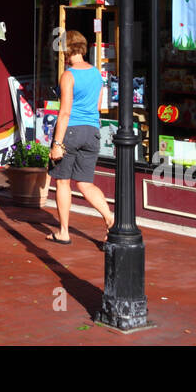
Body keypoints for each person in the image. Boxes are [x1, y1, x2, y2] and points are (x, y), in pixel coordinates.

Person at [46, 29, 114, 245]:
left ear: (66, 49)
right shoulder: (96, 73)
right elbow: (96, 106)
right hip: (92, 130)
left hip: (71, 131)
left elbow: (64, 112)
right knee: (85, 183)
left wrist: (57, 143)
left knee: (63, 182)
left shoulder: (68, 75)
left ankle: (64, 231)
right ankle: (111, 218)